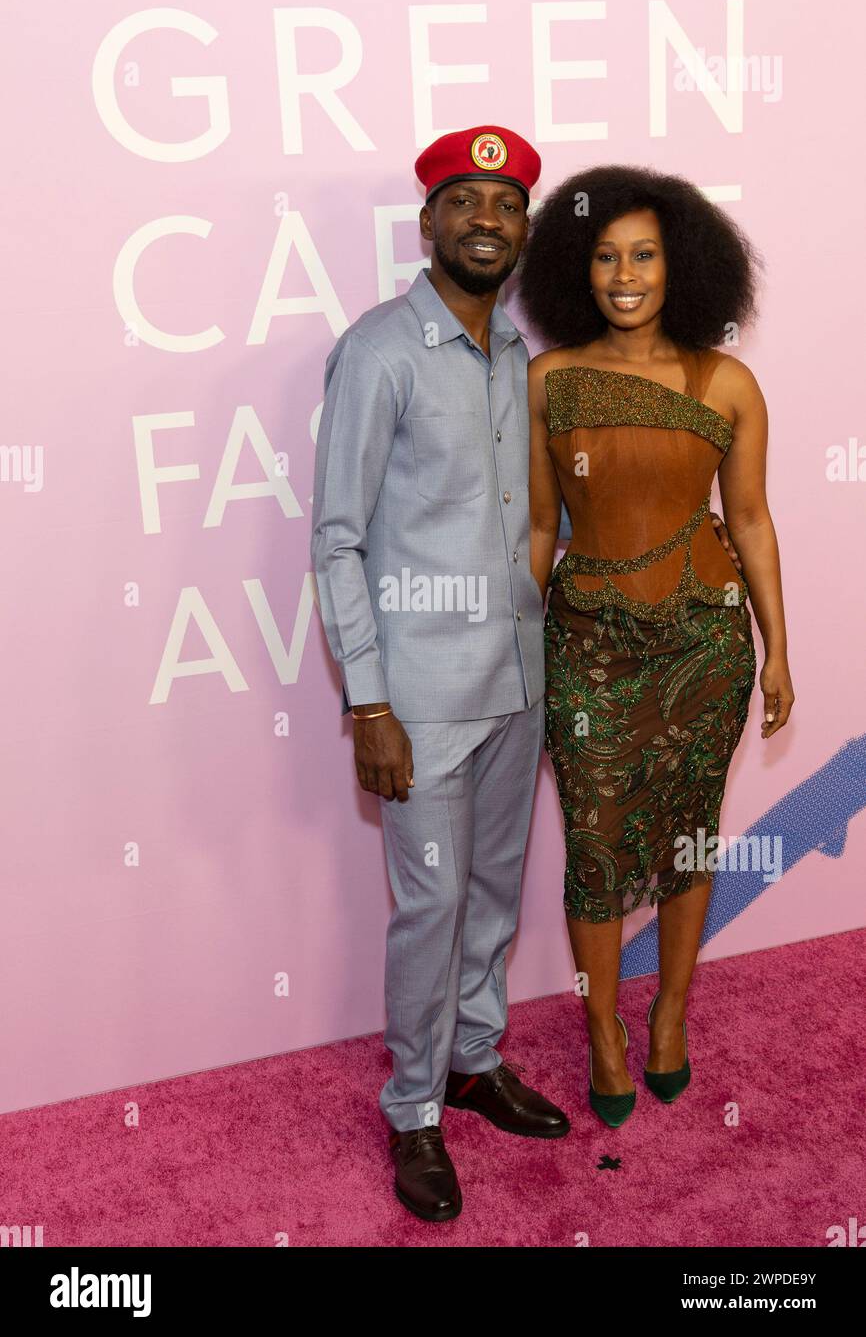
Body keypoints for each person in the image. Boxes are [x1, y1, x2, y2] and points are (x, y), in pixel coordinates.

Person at [311, 126, 571, 1224]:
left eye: (503, 205)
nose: (484, 221)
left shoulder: (515, 353)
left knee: (494, 896)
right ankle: (413, 1108)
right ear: (426, 225)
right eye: (462, 201)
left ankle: (473, 1059)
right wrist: (367, 699)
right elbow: (336, 539)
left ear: (519, 228)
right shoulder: (380, 350)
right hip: (417, 696)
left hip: (516, 677)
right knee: (429, 906)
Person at [519, 165, 794, 1127]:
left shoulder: (727, 382)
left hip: (705, 642)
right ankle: (603, 1034)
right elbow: (540, 530)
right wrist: (513, 635)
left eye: (644, 255)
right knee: (594, 850)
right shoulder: (547, 381)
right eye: (604, 256)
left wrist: (779, 650)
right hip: (586, 642)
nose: (624, 274)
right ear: (575, 269)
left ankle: (671, 1015)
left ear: (682, 268)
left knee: (687, 840)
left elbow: (751, 520)